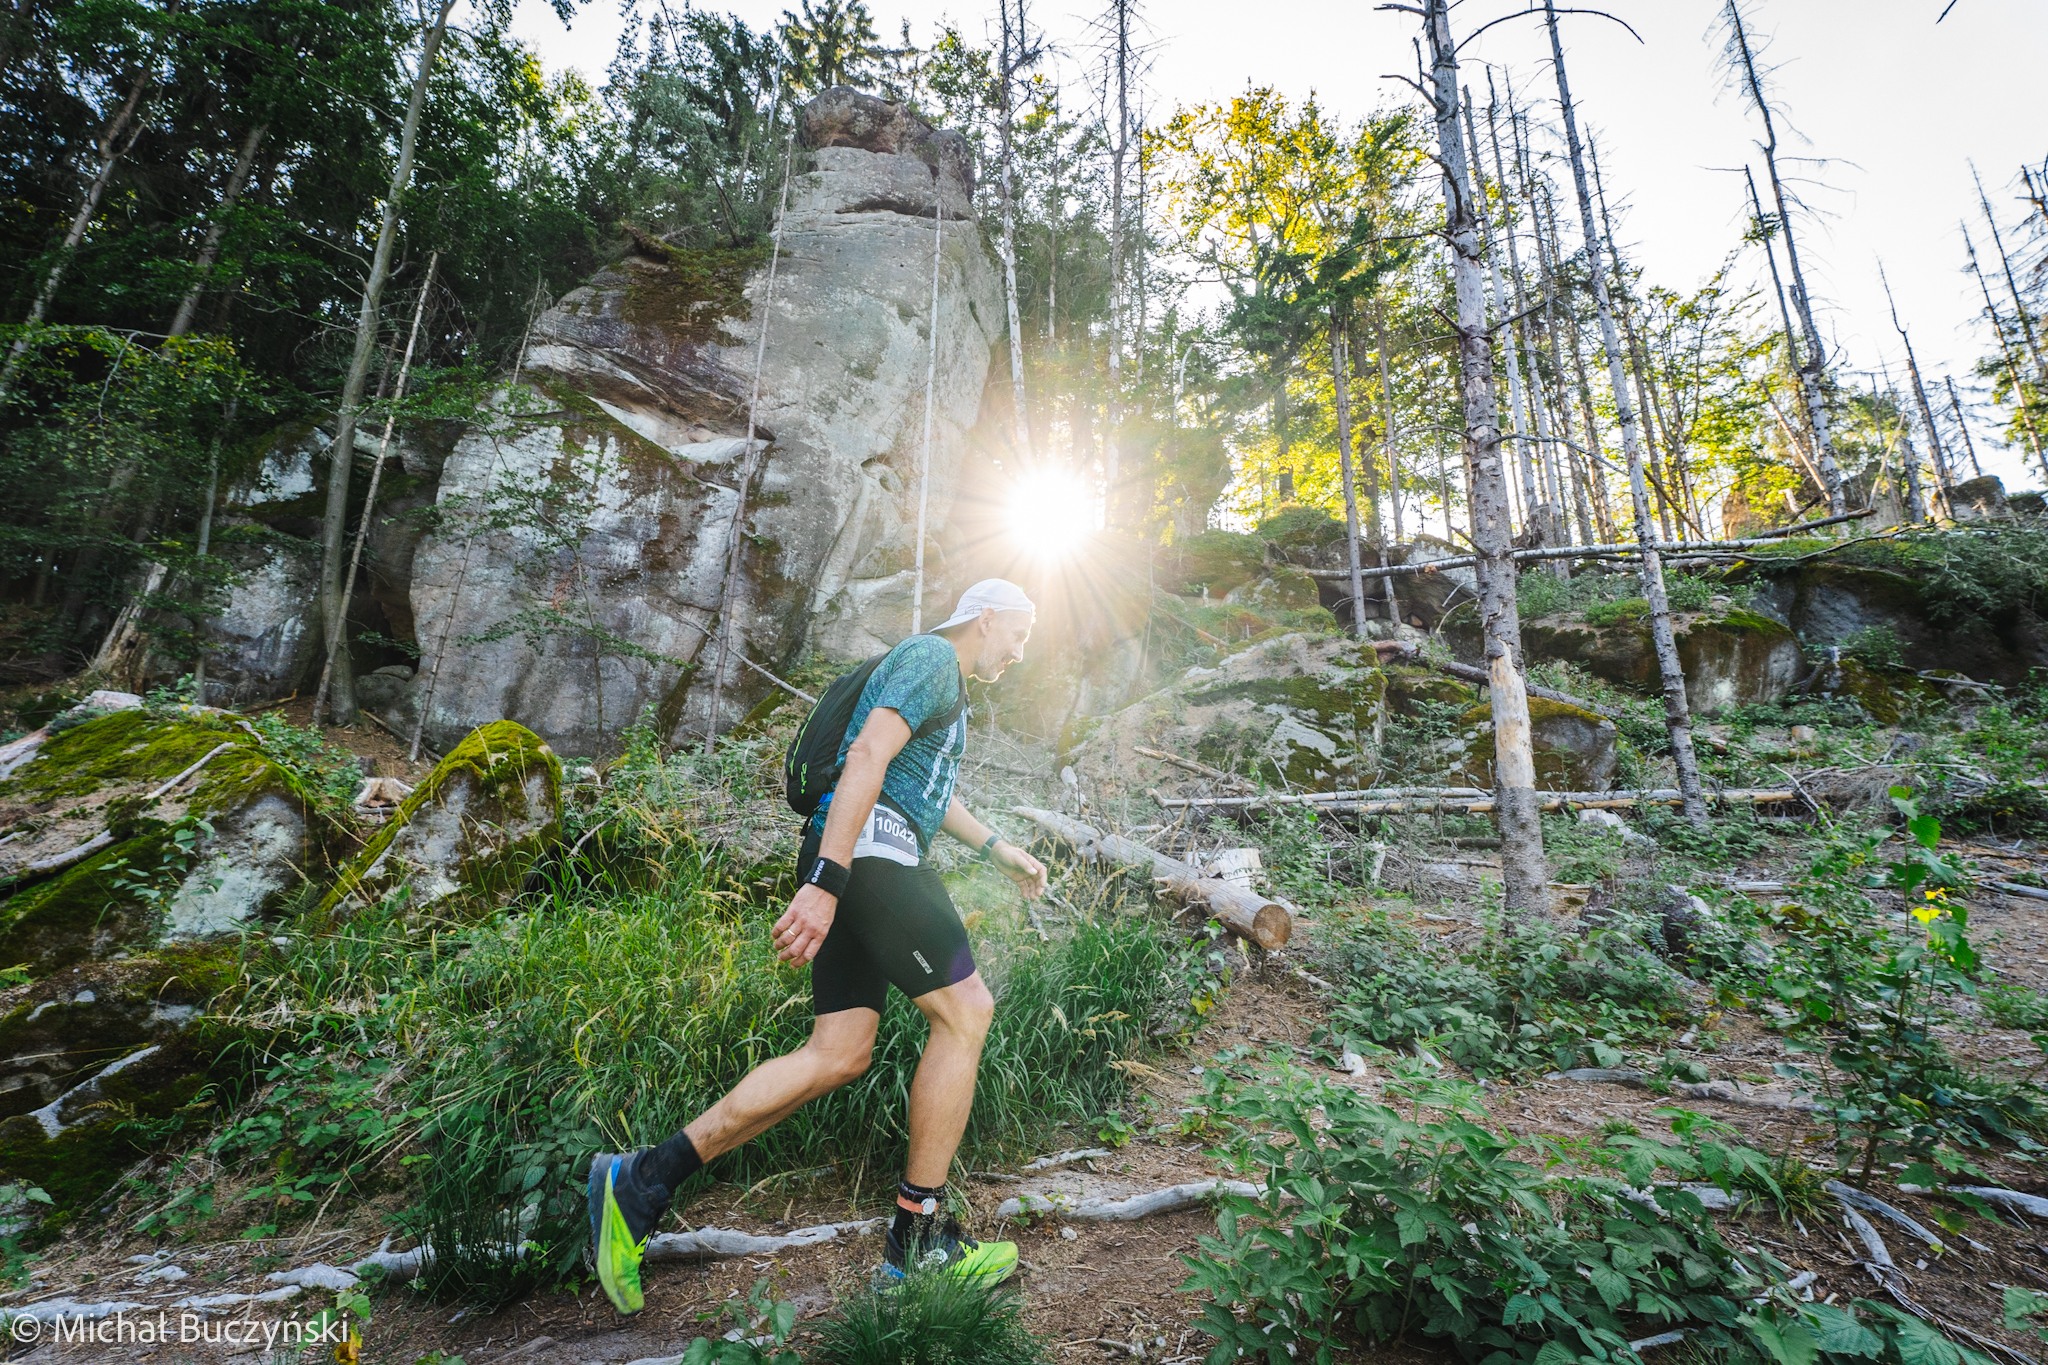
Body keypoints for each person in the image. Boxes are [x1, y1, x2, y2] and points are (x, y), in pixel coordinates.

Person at [588, 579, 1050, 1316]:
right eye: (1020, 634)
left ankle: (643, 1178)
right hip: (871, 853)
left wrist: (998, 848)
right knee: (967, 1010)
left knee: (839, 1052)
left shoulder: (944, 685)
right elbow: (866, 755)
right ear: (987, 619)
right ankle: (919, 1241)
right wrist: (829, 881)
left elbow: (923, 787)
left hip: (863, 848)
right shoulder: (934, 657)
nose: (1021, 652)